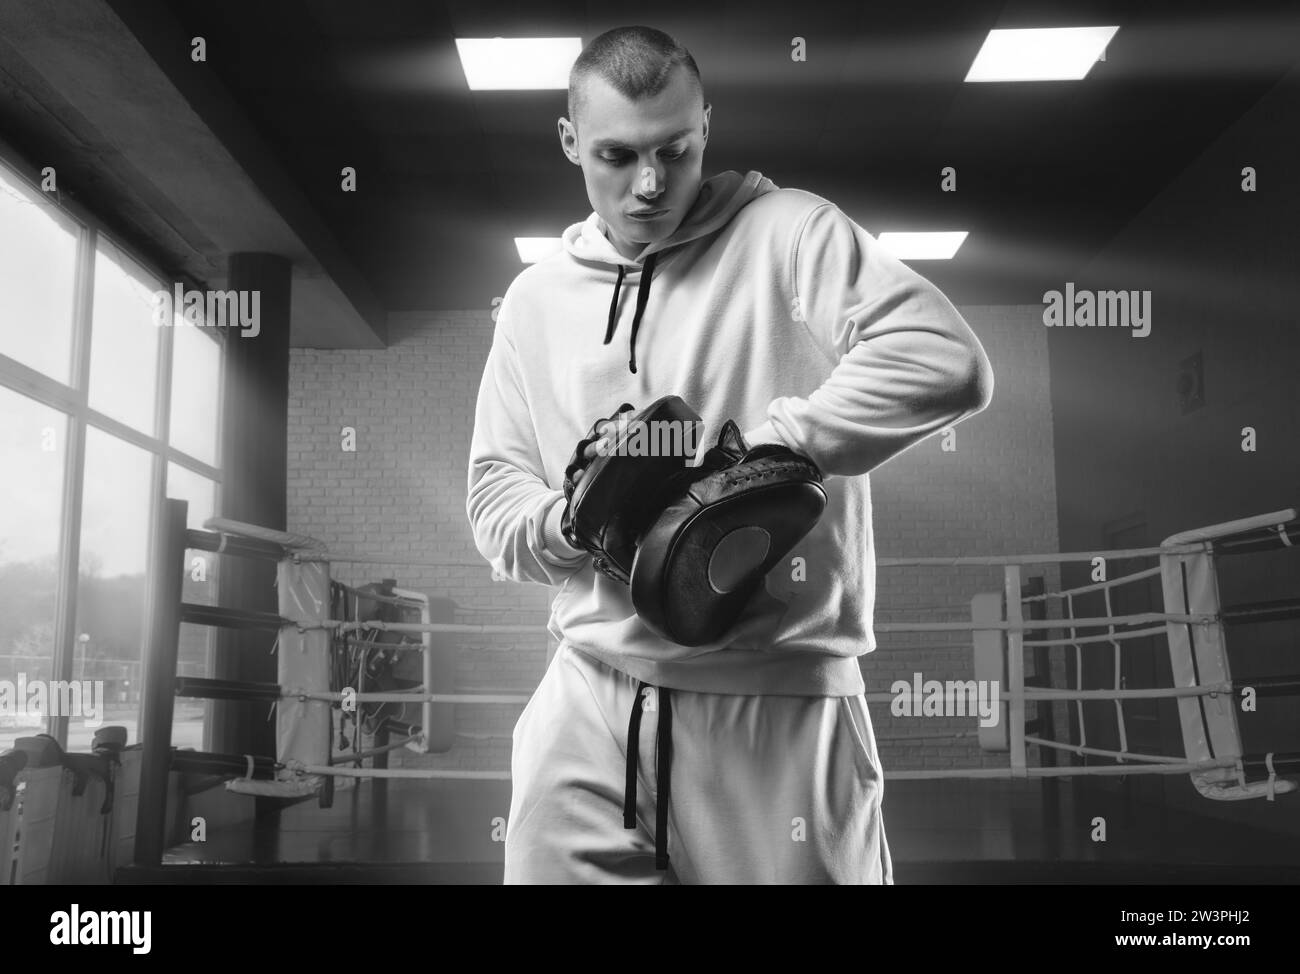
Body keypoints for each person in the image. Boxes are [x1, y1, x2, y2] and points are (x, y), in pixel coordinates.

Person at [467, 25, 994, 884]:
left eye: (674, 151)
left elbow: (947, 361)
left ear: (706, 126)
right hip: (590, 692)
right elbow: (494, 494)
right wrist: (575, 520)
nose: (648, 184)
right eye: (616, 154)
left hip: (775, 700)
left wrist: (769, 449)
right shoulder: (534, 299)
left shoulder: (789, 234)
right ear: (570, 143)